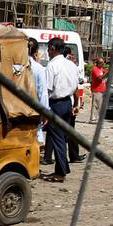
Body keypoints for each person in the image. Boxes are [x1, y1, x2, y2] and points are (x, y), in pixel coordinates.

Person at [43, 38, 79, 182]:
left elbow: (47, 89)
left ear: (52, 49)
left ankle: (61, 172)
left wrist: (44, 109)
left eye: (48, 49)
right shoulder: (71, 64)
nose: (47, 52)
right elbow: (76, 86)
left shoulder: (52, 65)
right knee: (62, 138)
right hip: (67, 103)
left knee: (57, 138)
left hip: (56, 103)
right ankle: (61, 168)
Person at [27, 38, 49, 156]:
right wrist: (45, 112)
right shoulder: (38, 68)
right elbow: (43, 93)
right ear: (36, 52)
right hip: (33, 110)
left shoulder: (14, 66)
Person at [88, 56, 108, 121]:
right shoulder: (95, 69)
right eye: (102, 63)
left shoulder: (101, 69)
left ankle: (97, 118)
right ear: (98, 63)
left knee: (100, 105)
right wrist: (106, 73)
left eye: (103, 62)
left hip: (102, 89)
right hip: (97, 89)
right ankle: (93, 118)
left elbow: (106, 72)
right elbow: (99, 78)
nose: (103, 64)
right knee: (95, 105)